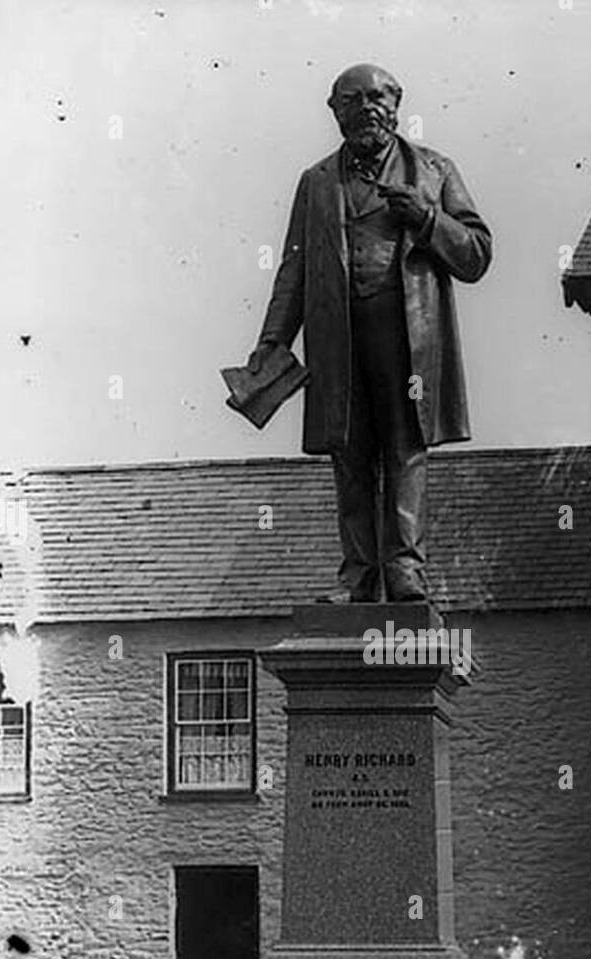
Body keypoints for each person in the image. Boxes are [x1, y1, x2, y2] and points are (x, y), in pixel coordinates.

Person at [250, 63, 492, 602]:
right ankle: (358, 573)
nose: (366, 107)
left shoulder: (433, 171)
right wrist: (273, 340)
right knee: (351, 452)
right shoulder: (315, 183)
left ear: (398, 102)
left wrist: (427, 219)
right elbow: (295, 268)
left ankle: (405, 567)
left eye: (377, 96)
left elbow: (476, 256)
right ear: (335, 111)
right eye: (352, 99)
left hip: (409, 335)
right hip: (339, 339)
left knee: (406, 444)